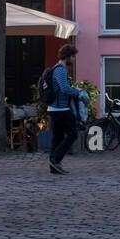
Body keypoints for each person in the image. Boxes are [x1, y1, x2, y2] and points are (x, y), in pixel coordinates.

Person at [45, 44, 84, 174]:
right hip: (60, 109)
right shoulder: (60, 70)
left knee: (58, 137)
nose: (74, 59)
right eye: (73, 56)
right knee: (73, 134)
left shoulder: (57, 69)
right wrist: (77, 91)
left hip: (54, 109)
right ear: (67, 56)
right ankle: (56, 159)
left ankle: (54, 165)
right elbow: (65, 89)